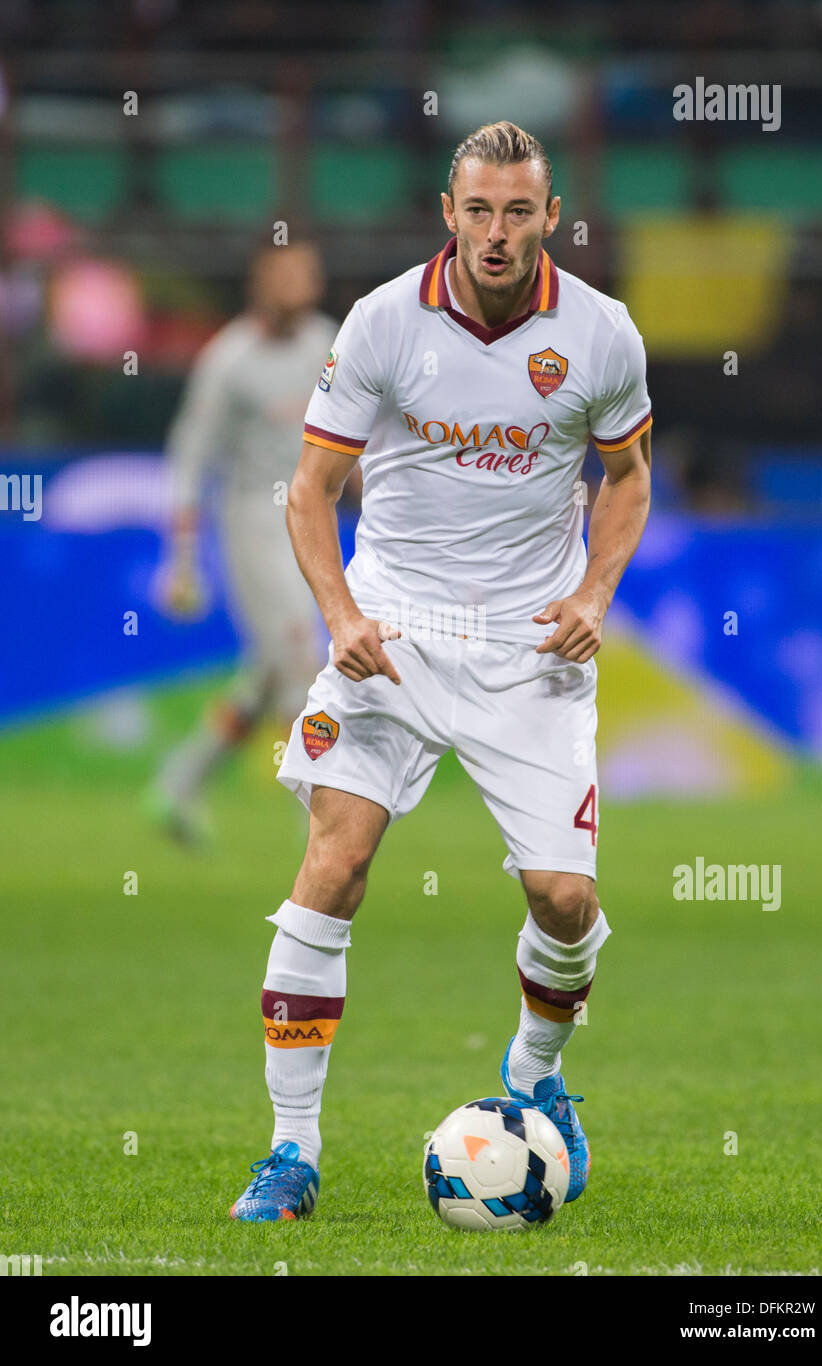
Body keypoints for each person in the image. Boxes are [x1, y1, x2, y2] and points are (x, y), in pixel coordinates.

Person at [229, 123, 652, 1222]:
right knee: (333, 864)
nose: (497, 233)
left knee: (565, 901)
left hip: (530, 647)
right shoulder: (381, 321)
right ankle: (291, 1152)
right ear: (447, 211)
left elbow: (627, 477)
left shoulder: (601, 334)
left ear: (549, 216)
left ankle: (534, 1071)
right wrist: (341, 615)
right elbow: (308, 491)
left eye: (518, 211)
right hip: (397, 632)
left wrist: (593, 597)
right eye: (479, 211)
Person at [149, 240, 340, 842]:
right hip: (255, 518)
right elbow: (190, 459)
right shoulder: (228, 360)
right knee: (300, 652)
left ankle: (176, 786)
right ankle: (318, 818)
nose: (302, 281)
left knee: (267, 674)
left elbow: (356, 428)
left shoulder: (325, 343)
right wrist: (180, 560)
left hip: (314, 514)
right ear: (263, 280)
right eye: (289, 271)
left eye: (308, 271)